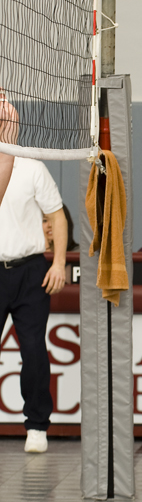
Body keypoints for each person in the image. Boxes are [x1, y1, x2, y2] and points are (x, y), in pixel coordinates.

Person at [0, 155, 68, 454]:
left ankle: (37, 425)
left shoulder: (32, 167)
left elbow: (57, 216)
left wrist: (59, 263)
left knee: (33, 349)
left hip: (30, 271)